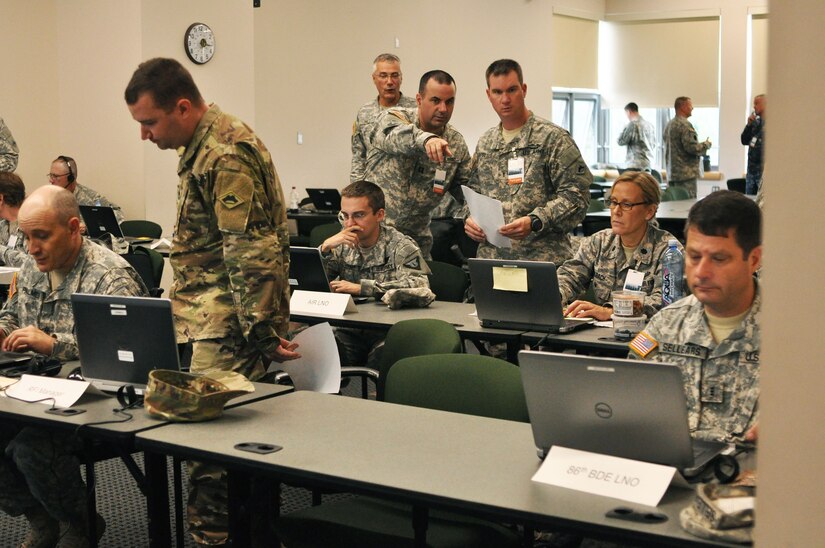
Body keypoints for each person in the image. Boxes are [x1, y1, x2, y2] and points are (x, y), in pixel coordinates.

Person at [125, 57, 298, 546]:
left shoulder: (225, 153)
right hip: (208, 319)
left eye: (149, 123)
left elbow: (250, 250)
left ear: (182, 107)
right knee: (221, 449)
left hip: (229, 325)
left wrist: (264, 332)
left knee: (212, 463)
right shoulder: (202, 146)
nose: (145, 135)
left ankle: (222, 538)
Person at [0, 185, 146, 547]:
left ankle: (79, 523)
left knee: (31, 450)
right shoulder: (33, 267)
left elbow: (130, 356)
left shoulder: (110, 278)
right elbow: (10, 315)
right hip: (36, 392)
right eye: (26, 236)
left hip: (96, 401)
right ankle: (42, 518)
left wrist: (54, 345)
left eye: (42, 236)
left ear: (74, 227)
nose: (32, 248)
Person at [629, 190, 761, 443]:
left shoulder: (795, 336)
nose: (701, 272)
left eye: (719, 259)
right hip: (670, 473)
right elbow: (628, 389)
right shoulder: (662, 326)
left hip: (755, 477)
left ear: (754, 259)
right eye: (694, 256)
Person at [464, 59, 591, 263]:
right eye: (497, 92)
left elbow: (578, 198)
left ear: (523, 90)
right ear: (488, 95)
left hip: (542, 261)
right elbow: (472, 195)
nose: (505, 99)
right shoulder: (486, 143)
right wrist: (469, 219)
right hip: (494, 260)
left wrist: (536, 221)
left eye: (512, 90)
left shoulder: (553, 139)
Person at [320, 181, 430, 366]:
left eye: (359, 215)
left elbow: (420, 285)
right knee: (317, 349)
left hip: (389, 330)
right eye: (344, 216)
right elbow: (317, 282)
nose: (349, 224)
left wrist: (363, 288)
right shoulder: (341, 244)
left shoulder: (401, 245)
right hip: (351, 328)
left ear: (379, 215)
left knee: (383, 361)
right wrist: (324, 249)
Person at [365, 69, 470, 258]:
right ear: (419, 100)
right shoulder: (393, 118)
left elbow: (470, 191)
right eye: (435, 100)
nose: (443, 109)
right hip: (372, 239)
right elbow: (393, 136)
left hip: (414, 245)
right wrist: (426, 140)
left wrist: (474, 217)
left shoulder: (455, 144)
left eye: (449, 101)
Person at [559, 172, 682, 320]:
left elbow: (665, 301)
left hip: (644, 336)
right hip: (599, 335)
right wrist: (556, 296)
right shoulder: (600, 241)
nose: (616, 211)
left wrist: (611, 311)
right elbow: (570, 276)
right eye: (613, 202)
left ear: (649, 211)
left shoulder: (669, 252)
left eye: (626, 205)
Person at [351, 53, 417, 183]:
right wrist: (356, 190)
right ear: (374, 78)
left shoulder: (415, 109)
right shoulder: (365, 112)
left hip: (408, 191)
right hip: (374, 192)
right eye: (383, 76)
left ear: (401, 78)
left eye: (394, 75)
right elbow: (358, 156)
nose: (389, 82)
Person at [48, 155, 125, 223]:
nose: (51, 180)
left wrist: (88, 225)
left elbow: (118, 215)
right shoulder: (48, 198)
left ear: (71, 178)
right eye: (51, 175)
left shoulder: (89, 198)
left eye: (56, 176)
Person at [663, 96, 711, 198]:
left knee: (674, 206)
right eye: (690, 105)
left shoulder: (669, 124)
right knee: (687, 206)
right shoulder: (685, 125)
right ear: (683, 107)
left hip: (672, 174)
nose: (692, 108)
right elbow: (692, 148)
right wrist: (706, 144)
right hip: (686, 175)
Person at [617, 102, 657, 170]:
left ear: (629, 112)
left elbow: (621, 141)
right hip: (647, 164)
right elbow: (653, 144)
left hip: (634, 165)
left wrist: (624, 128)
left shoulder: (632, 125)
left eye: (626, 114)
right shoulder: (650, 125)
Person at [0, 171, 28, 266]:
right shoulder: (3, 226)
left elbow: (33, 264)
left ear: (1, 199)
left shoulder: (32, 225)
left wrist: (1, 251)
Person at [740, 94, 766, 195]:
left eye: (756, 103)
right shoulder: (755, 122)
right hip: (751, 172)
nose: (754, 106)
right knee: (750, 202)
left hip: (763, 172)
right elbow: (744, 140)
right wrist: (749, 125)